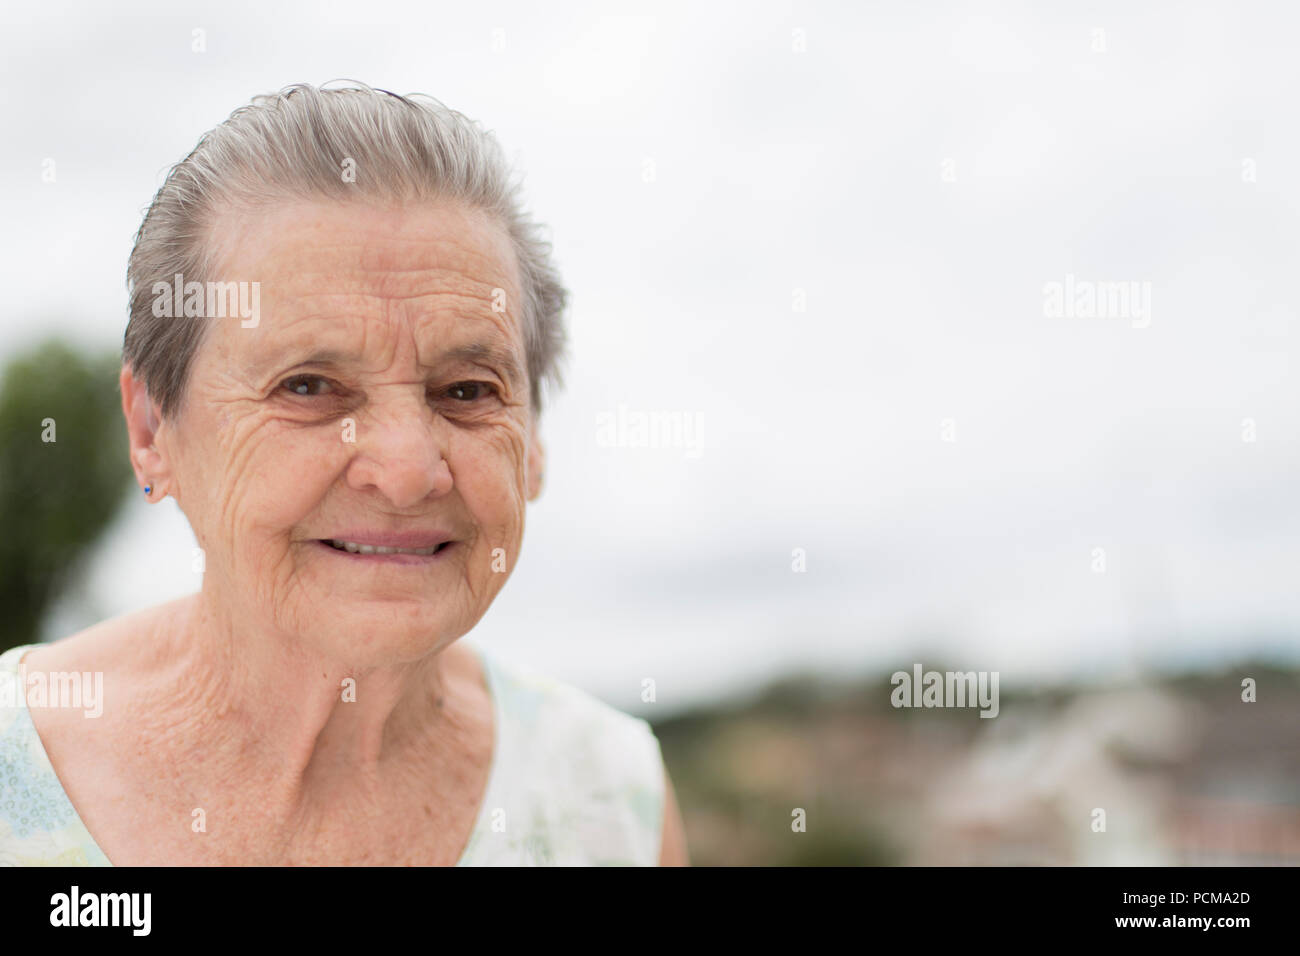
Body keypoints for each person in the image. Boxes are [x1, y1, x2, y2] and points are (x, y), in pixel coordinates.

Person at [0, 83, 689, 866]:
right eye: (309, 388)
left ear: (531, 442)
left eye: (467, 391)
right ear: (154, 429)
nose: (405, 473)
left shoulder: (609, 800)